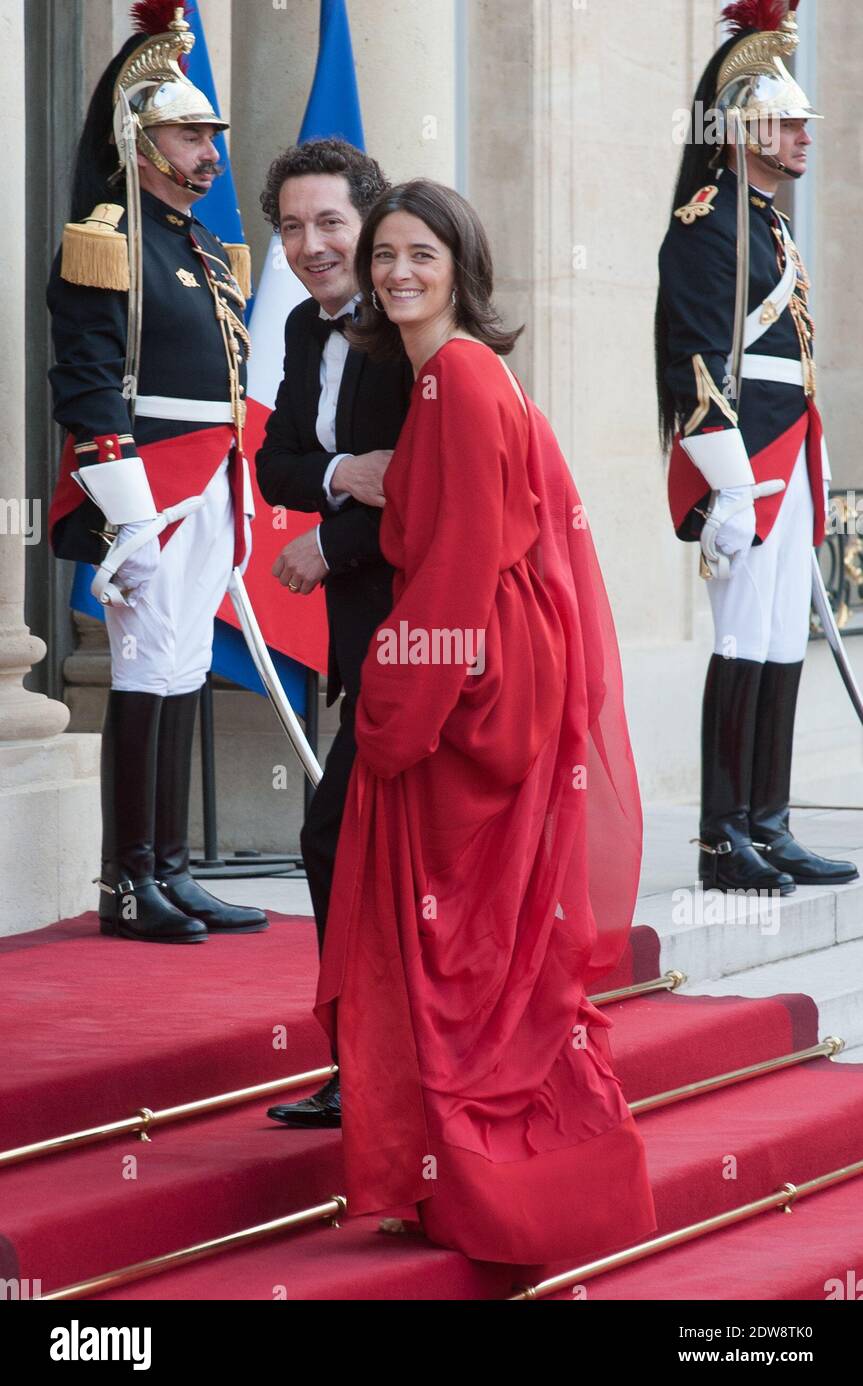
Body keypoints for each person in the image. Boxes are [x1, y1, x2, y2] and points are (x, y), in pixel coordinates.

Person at [310, 178, 657, 1266]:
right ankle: (492, 1190)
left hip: (461, 699)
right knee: (486, 963)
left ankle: (501, 1197)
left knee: (454, 960)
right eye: (382, 256)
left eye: (418, 253)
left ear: (460, 261)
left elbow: (460, 564)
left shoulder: (453, 375)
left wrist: (392, 715)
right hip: (487, 679)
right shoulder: (458, 374)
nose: (395, 272)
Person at [47, 1, 267, 943]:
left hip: (210, 476)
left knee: (179, 666)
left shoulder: (203, 247)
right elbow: (90, 385)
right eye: (189, 132)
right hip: (147, 485)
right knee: (143, 667)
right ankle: (126, 883)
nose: (209, 149)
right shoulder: (109, 235)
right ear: (140, 138)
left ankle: (171, 869)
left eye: (211, 132)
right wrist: (127, 515)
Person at [656, 0, 857, 895]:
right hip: (748, 464)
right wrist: (729, 488)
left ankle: (767, 826)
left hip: (789, 458)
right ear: (741, 126)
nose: (803, 132)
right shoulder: (709, 222)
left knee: (779, 640)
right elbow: (693, 358)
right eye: (785, 119)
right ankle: (719, 835)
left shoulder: (766, 221)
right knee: (741, 639)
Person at [255, 140, 413, 1127]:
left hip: (430, 635)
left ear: (371, 222)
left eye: (329, 224)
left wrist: (327, 543)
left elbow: (433, 480)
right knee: (348, 841)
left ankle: (386, 1064)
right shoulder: (308, 335)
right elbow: (275, 462)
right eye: (290, 227)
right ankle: (367, 1059)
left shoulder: (412, 328)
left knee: (346, 837)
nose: (310, 246)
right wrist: (340, 471)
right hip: (367, 645)